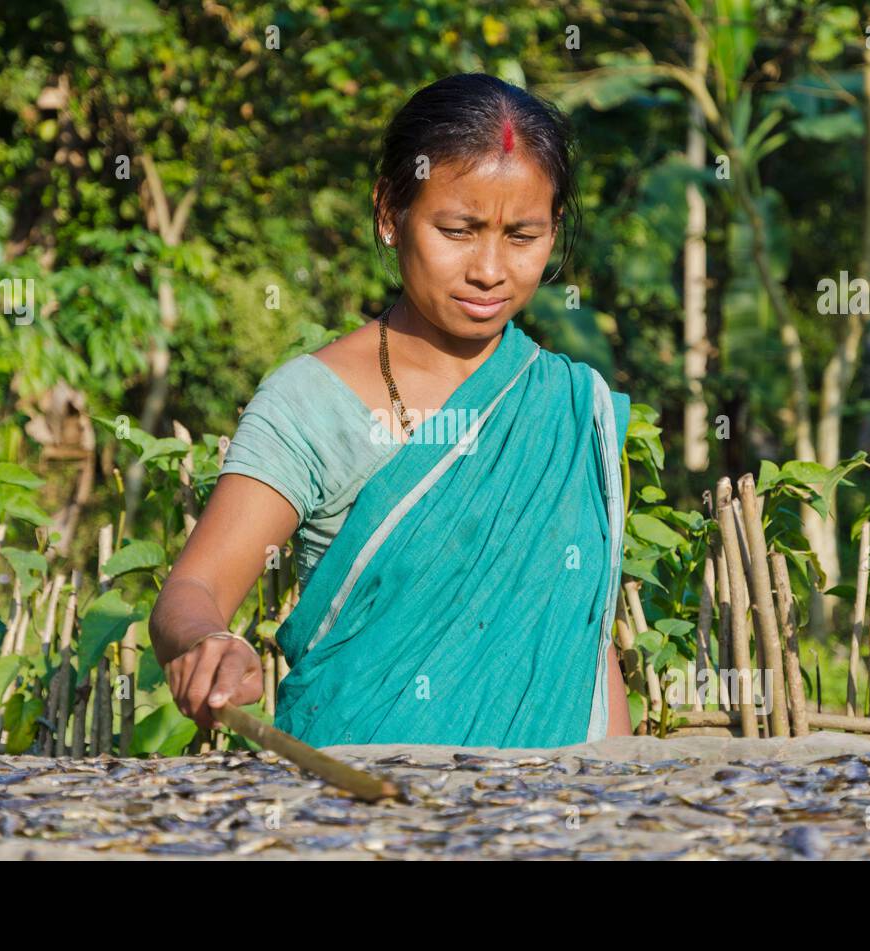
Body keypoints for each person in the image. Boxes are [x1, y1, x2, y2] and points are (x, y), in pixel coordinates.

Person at [149, 73, 633, 748]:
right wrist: (207, 641)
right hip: (356, 809)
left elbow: (582, 644)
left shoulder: (569, 407)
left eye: (522, 235)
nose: (490, 269)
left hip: (556, 824)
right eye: (459, 229)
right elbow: (194, 586)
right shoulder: (312, 402)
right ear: (389, 213)